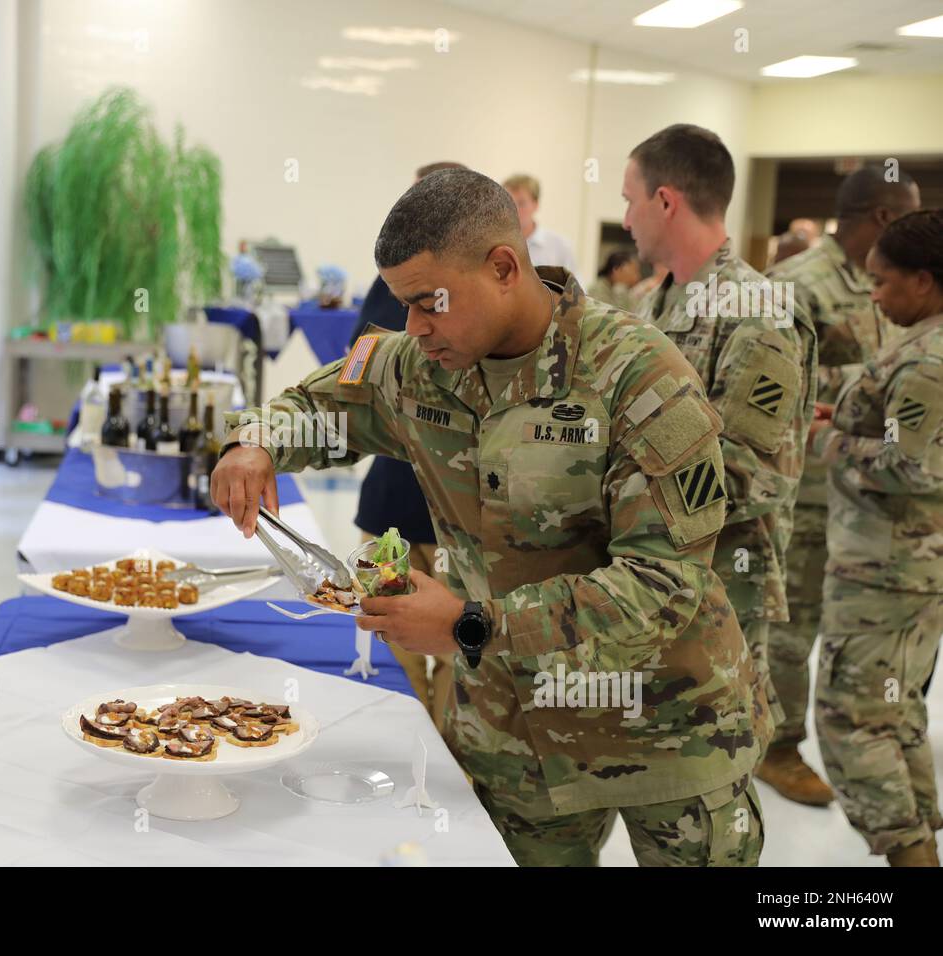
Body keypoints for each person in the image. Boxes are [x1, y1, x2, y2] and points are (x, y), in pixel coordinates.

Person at [213, 168, 772, 866]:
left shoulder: (636, 376)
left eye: (428, 303)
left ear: (504, 267)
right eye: (402, 305)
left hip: (665, 731)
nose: (413, 327)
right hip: (515, 744)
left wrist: (469, 623)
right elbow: (322, 403)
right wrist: (253, 441)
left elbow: (663, 587)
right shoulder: (420, 365)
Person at [623, 124, 818, 758]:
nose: (625, 219)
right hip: (650, 579)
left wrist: (618, 488)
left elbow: (751, 475)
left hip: (719, 594)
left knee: (709, 786)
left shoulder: (760, 313)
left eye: (630, 200)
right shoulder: (658, 306)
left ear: (666, 201)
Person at [761, 167, 921, 805]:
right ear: (884, 216)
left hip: (874, 490)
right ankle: (778, 745)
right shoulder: (798, 286)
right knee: (794, 621)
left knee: (856, 623)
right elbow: (771, 391)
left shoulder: (897, 282)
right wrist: (884, 390)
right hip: (810, 487)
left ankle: (869, 733)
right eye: (909, 212)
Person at [807, 209, 943, 866]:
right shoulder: (925, 342)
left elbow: (914, 466)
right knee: (897, 710)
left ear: (924, 280)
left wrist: (832, 440)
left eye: (885, 283)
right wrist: (856, 416)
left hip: (884, 573)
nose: (875, 297)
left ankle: (908, 854)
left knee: (851, 720)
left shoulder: (927, 358)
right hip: (910, 571)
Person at [350, 160, 465, 727]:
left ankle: (448, 782)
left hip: (458, 517)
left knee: (459, 665)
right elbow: (355, 369)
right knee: (390, 653)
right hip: (393, 499)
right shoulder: (387, 282)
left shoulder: (474, 295)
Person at [502, 174, 580, 279]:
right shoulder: (493, 244)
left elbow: (576, 290)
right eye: (508, 202)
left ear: (536, 205)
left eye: (521, 203)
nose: (513, 209)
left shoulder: (560, 247)